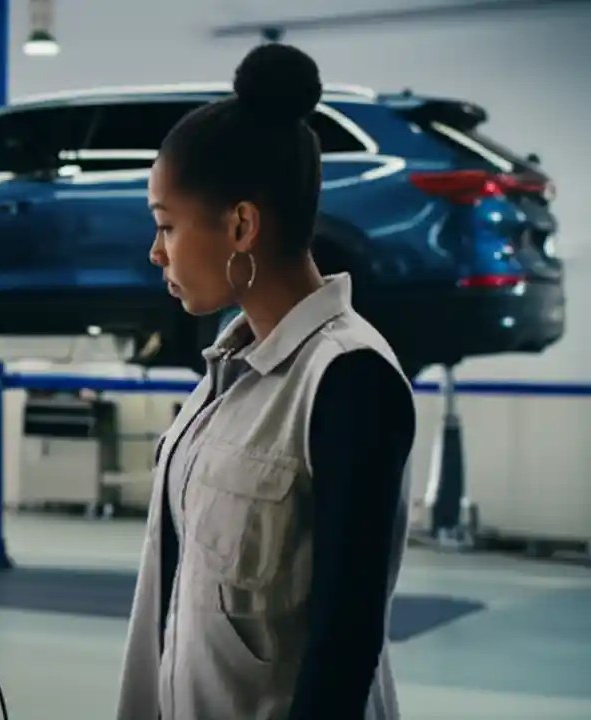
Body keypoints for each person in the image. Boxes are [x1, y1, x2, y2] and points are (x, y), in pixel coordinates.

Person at [116, 43, 416, 720]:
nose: (155, 251)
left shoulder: (348, 380)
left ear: (242, 224)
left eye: (166, 225)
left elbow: (346, 642)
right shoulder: (224, 375)